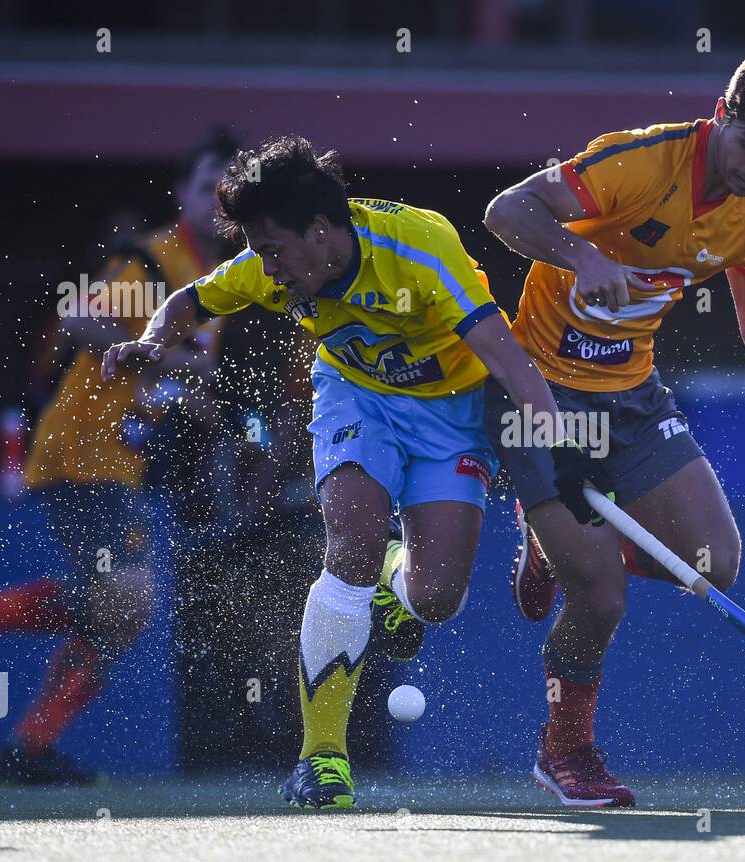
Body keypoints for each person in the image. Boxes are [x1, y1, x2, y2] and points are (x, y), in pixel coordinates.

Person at [101, 134, 590, 809]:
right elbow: (190, 301)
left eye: (273, 251)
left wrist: (553, 455)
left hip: (452, 410)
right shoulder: (267, 265)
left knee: (438, 597)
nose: (266, 271)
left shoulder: (421, 249)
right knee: (350, 545)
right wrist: (153, 341)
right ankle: (322, 758)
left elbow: (509, 361)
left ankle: (398, 578)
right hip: (355, 397)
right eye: (259, 253)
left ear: (322, 230)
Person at [482, 44, 745, 807]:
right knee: (603, 594)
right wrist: (578, 255)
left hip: (634, 396)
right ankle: (566, 749)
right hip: (540, 392)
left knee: (714, 565)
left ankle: (557, 542)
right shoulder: (637, 164)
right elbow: (506, 210)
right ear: (722, 113)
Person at [0, 131, 240, 785]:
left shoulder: (214, 277)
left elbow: (162, 373)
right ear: (181, 195)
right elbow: (80, 321)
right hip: (83, 450)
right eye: (206, 186)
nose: (216, 201)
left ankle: (27, 743)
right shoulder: (153, 261)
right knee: (126, 599)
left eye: (228, 191)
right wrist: (170, 360)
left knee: (121, 611)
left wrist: (188, 397)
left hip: (119, 458)